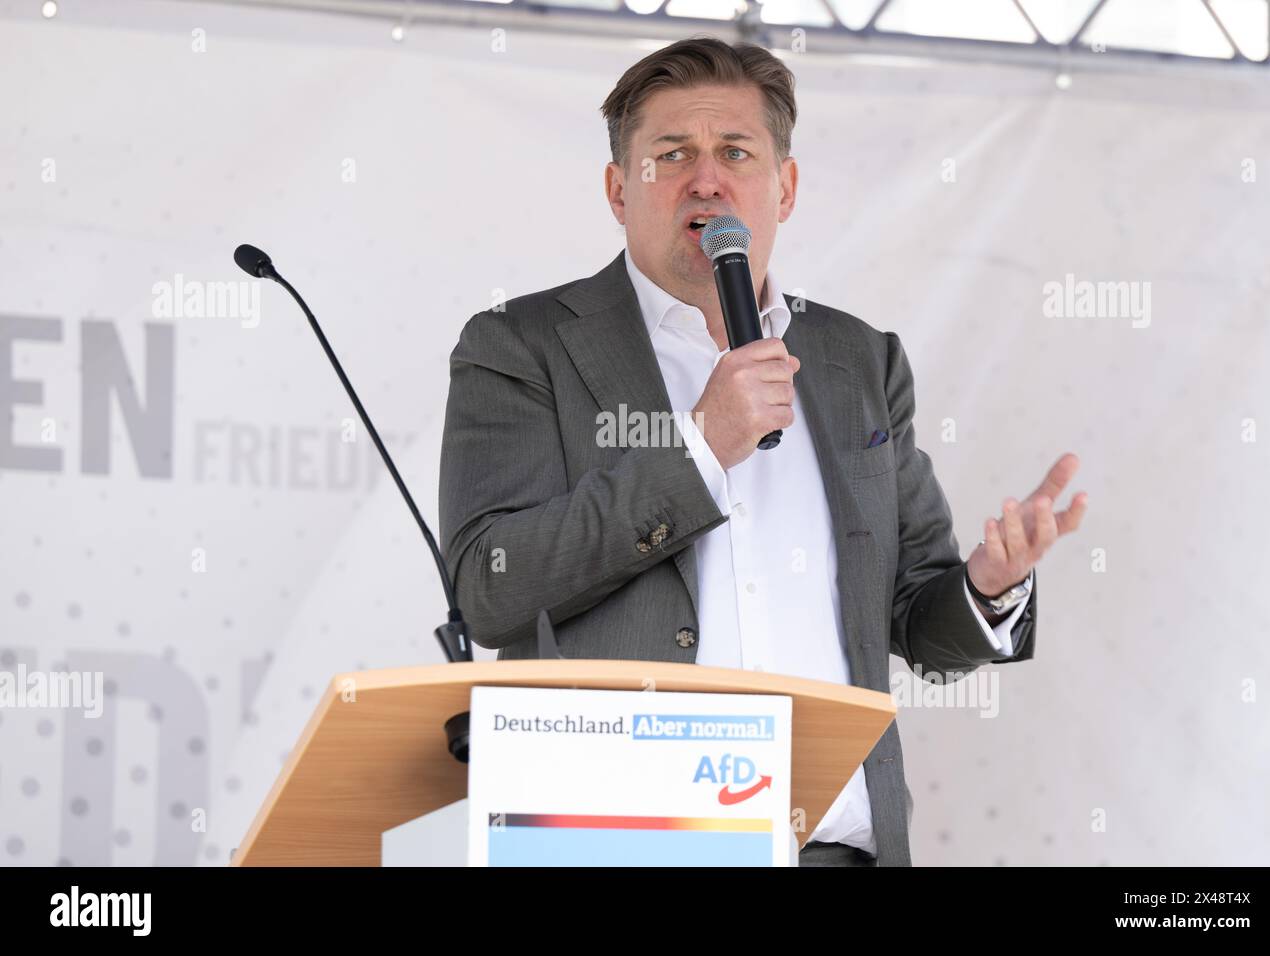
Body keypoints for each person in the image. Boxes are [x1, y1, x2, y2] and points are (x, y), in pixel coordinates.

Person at [438, 36, 1087, 867]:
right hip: (616, 844)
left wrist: (989, 591)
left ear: (783, 187)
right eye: (671, 154)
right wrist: (702, 448)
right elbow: (492, 587)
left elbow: (916, 622)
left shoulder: (860, 362)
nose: (705, 178)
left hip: (834, 850)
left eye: (734, 152)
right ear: (616, 189)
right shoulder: (521, 347)